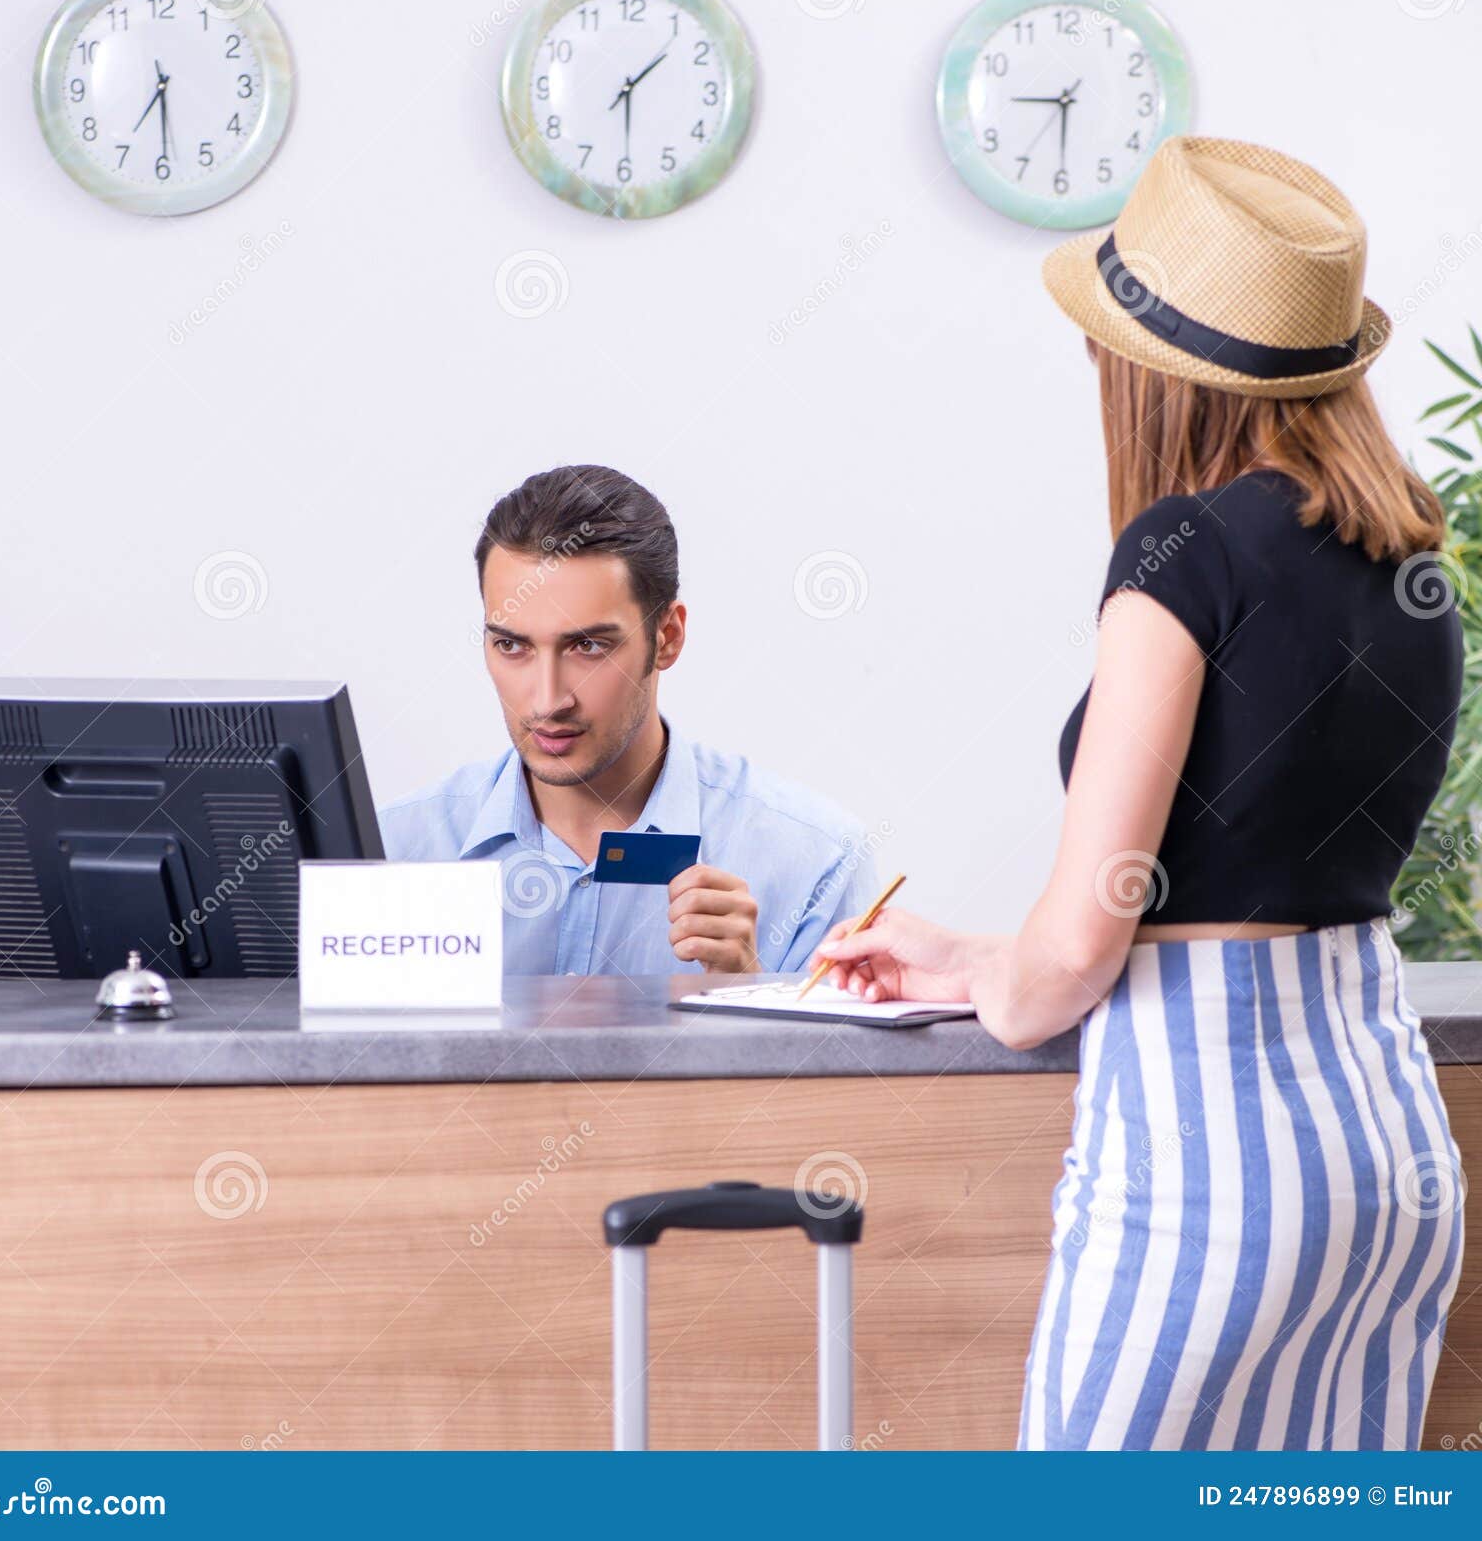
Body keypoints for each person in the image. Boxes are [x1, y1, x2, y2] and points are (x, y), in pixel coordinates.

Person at [816, 137, 1465, 1450]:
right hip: (1385, 1149)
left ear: (1152, 371)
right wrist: (968, 955)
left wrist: (1015, 979)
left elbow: (1079, 957)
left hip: (1210, 1171)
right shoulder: (1412, 556)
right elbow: (1247, 881)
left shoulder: (1184, 550)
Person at [381, 464, 875, 975]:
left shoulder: (815, 862)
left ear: (668, 637)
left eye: (588, 646)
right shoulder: (392, 852)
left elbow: (846, 1058)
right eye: (511, 645)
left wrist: (747, 991)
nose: (547, 701)